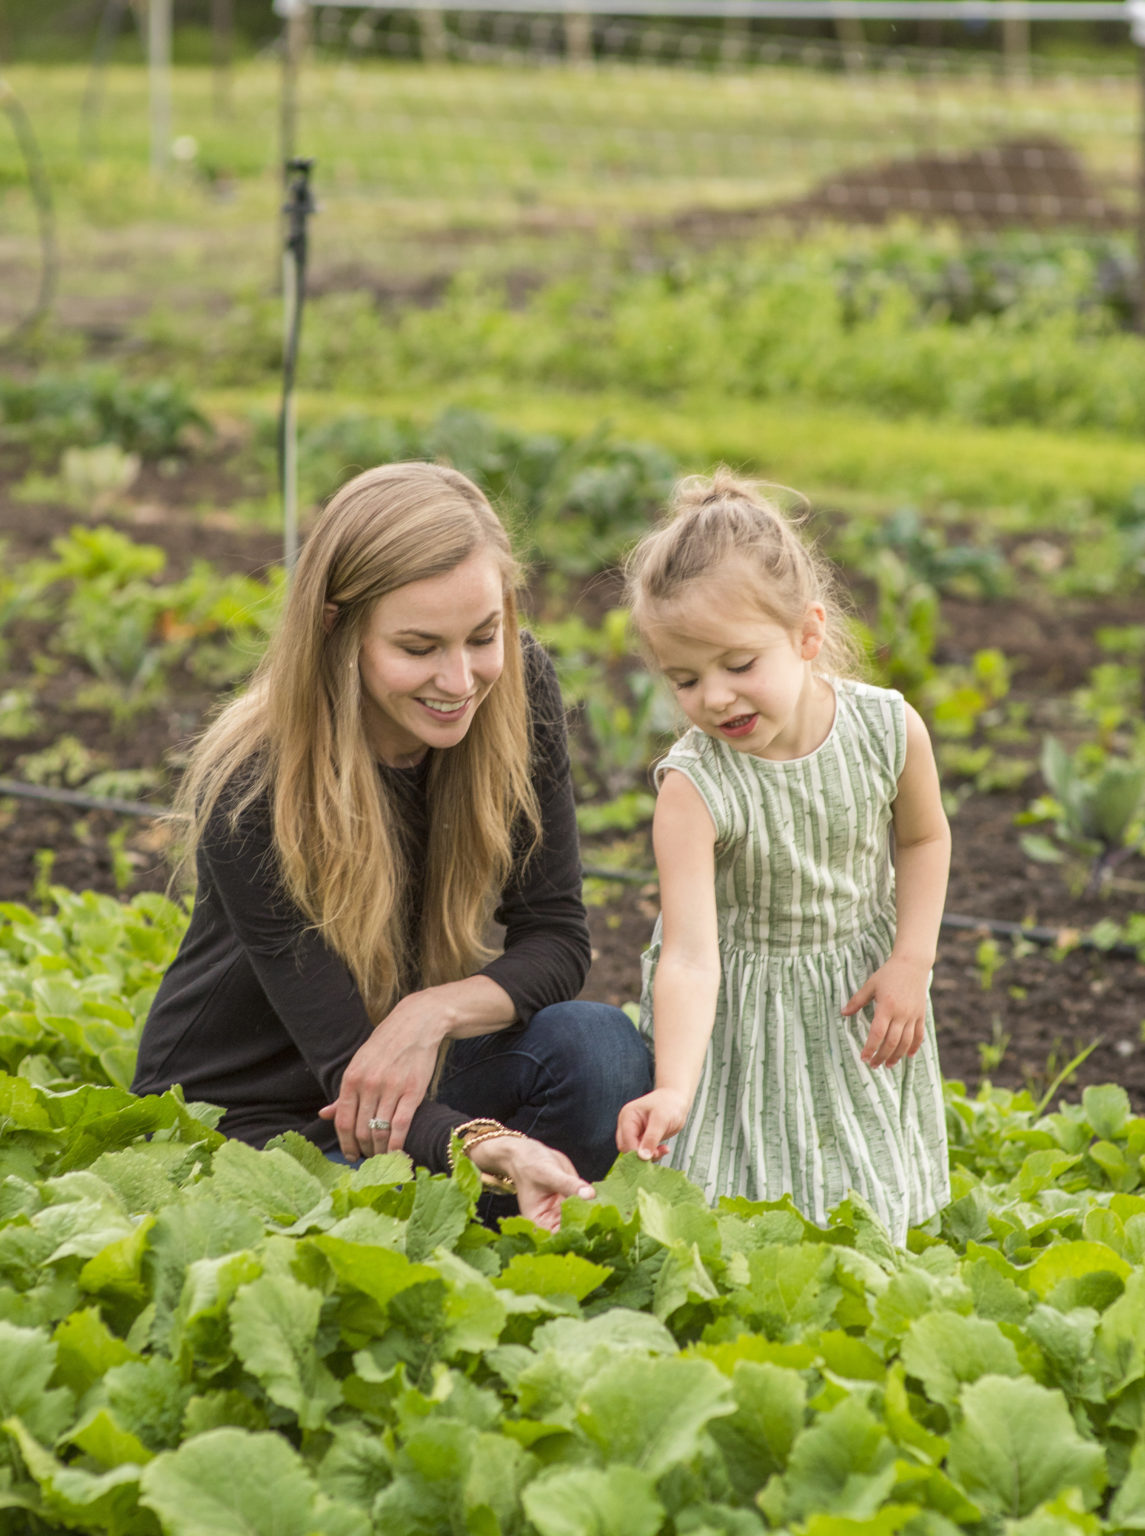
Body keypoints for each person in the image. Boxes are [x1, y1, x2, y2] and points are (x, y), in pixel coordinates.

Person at [131, 461, 652, 1231]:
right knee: (367, 1216)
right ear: (336, 629)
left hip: (412, 1082)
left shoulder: (516, 691)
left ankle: (486, 1215)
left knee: (600, 1048)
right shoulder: (253, 784)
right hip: (255, 1122)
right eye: (418, 647)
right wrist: (483, 1140)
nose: (459, 679)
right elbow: (348, 1066)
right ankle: (482, 1210)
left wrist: (428, 1014)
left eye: (483, 636)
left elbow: (556, 935)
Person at [615, 470, 951, 1243]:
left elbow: (923, 837)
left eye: (738, 665)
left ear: (806, 634)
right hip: (742, 1008)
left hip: (853, 987)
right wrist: (672, 1089)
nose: (714, 697)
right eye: (685, 679)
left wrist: (911, 960)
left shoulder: (887, 729)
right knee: (742, 1200)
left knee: (863, 1192)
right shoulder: (693, 788)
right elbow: (690, 957)